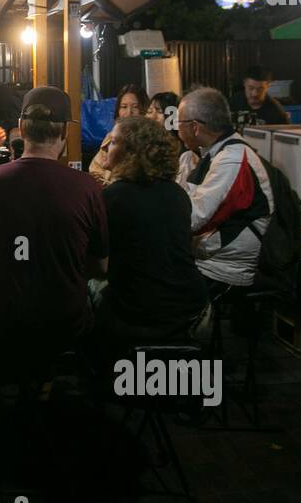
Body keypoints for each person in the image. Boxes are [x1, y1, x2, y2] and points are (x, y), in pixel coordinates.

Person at [0, 87, 108, 381]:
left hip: (5, 316)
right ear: (65, 133)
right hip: (66, 319)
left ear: (21, 128)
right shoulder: (87, 187)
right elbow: (99, 266)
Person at [87, 116, 210, 366]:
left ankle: (98, 374)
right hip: (192, 310)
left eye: (112, 142)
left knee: (87, 290)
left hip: (140, 313)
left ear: (131, 151)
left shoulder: (113, 197)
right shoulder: (177, 194)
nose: (104, 147)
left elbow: (99, 266)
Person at [176, 87, 275, 294]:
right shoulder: (212, 153)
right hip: (211, 257)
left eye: (179, 122)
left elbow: (194, 218)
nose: (177, 129)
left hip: (224, 269)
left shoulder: (232, 159)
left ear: (195, 127)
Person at [87, 84, 148, 184]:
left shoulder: (150, 140)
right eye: (124, 107)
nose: (129, 112)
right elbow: (95, 169)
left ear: (145, 109)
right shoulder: (110, 137)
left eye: (135, 107)